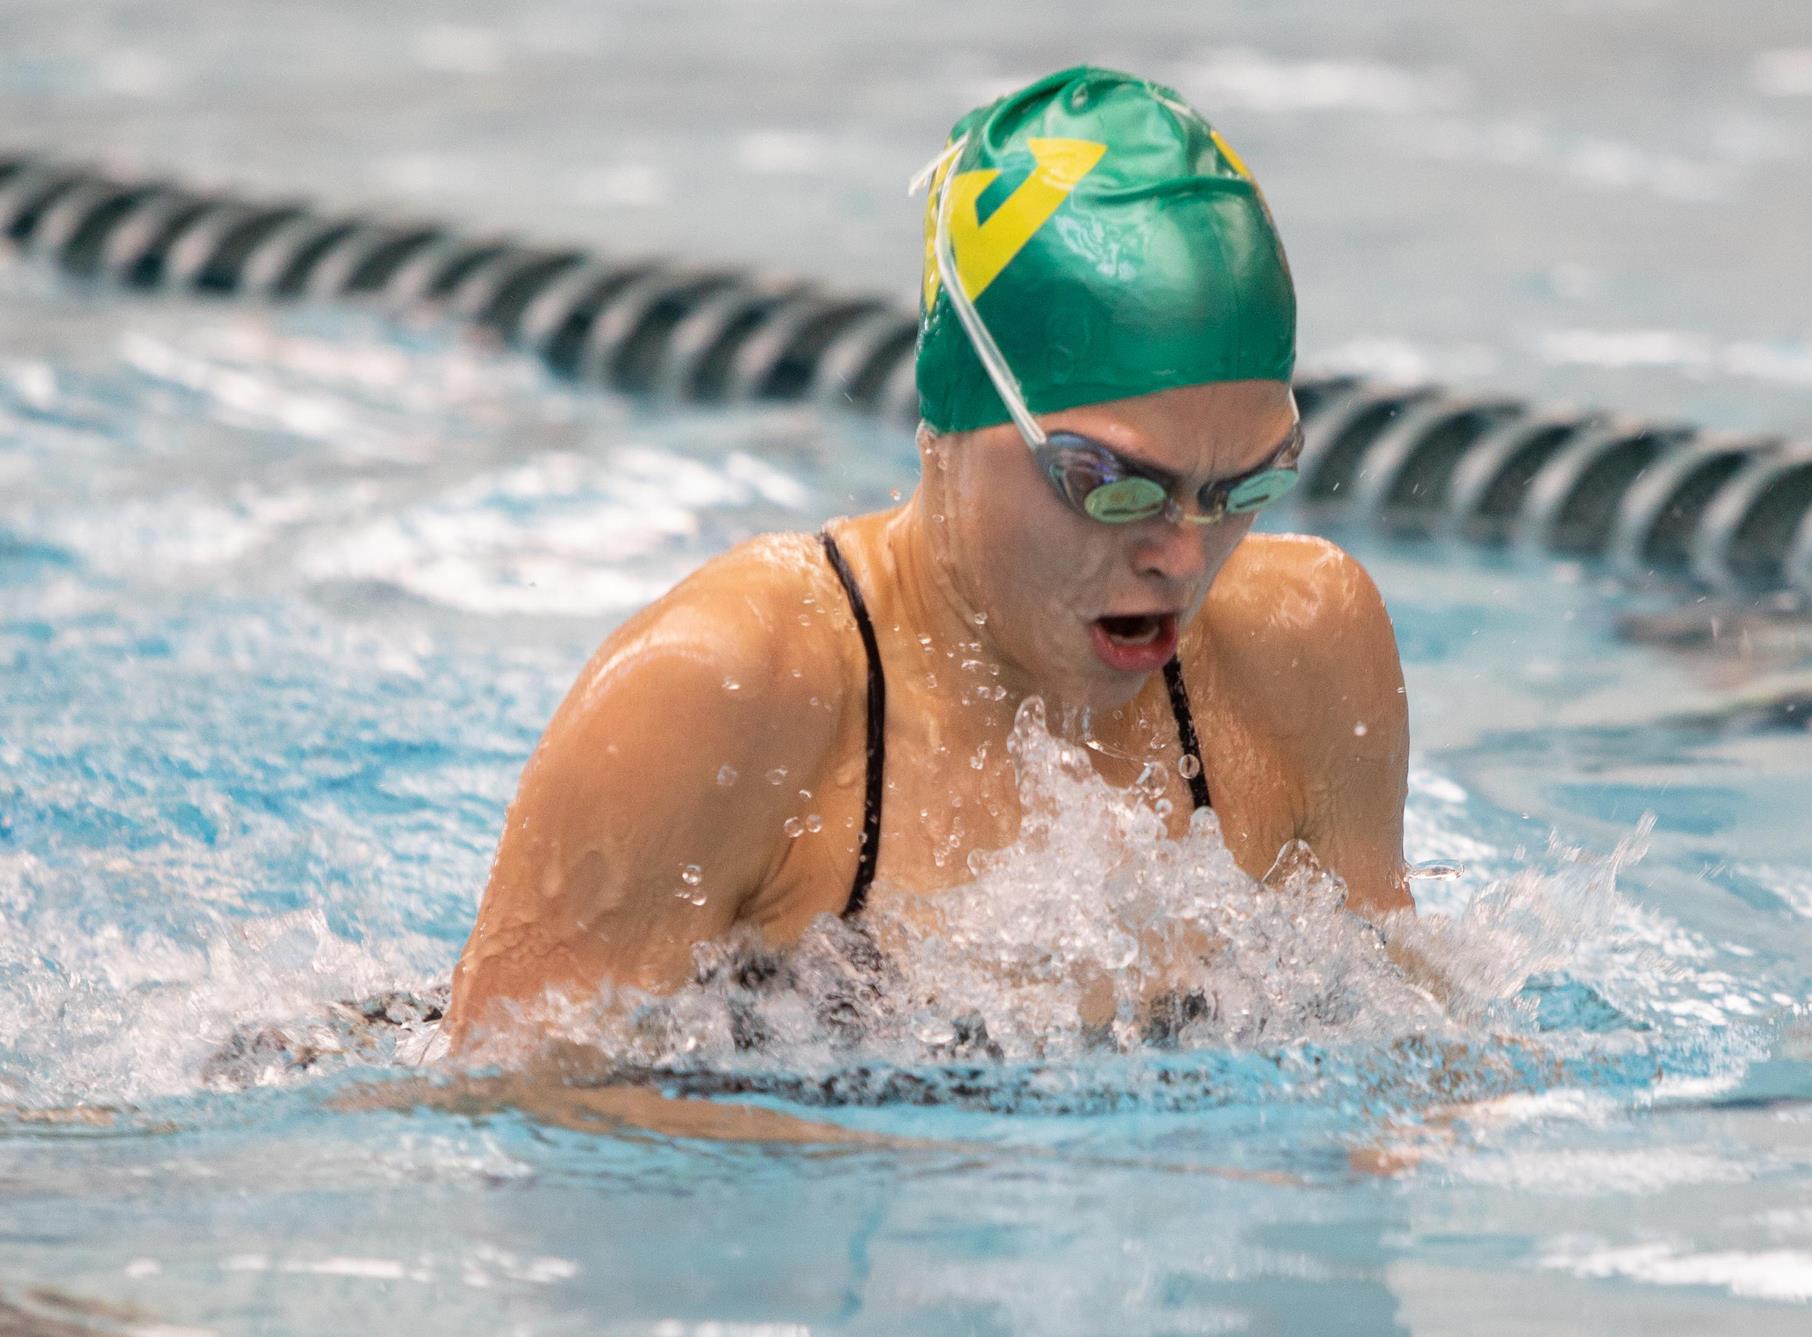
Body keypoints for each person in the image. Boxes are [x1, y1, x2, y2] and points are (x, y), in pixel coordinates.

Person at [444, 65, 1411, 1052]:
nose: (1182, 554)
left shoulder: (1302, 651)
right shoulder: (719, 694)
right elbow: (513, 1106)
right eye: (1111, 483)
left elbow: (1402, 1050)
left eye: (1241, 487)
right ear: (953, 416)